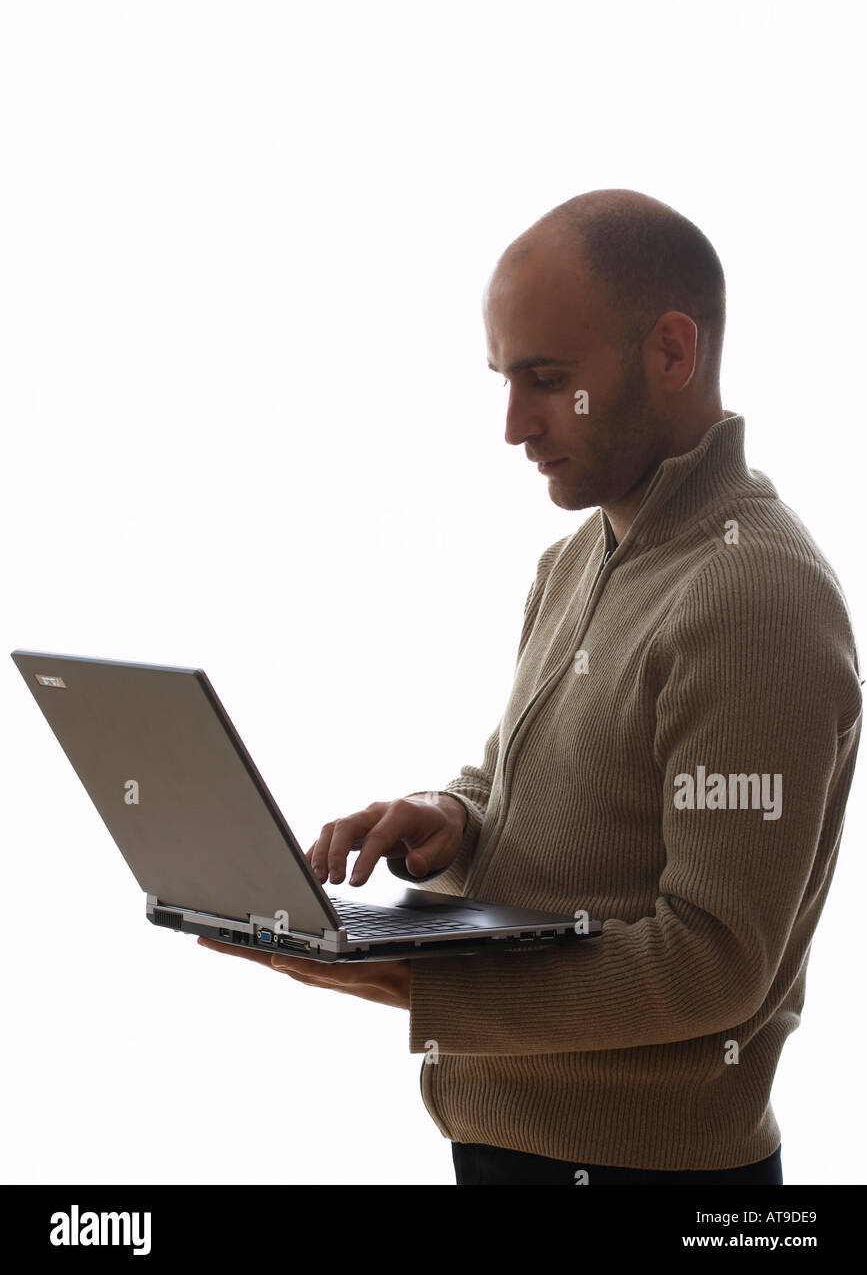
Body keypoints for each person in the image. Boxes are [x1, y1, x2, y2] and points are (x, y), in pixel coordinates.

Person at [199, 188, 863, 1186]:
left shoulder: (754, 593)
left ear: (672, 353)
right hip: (515, 1147)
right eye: (505, 379)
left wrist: (400, 975)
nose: (513, 423)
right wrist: (454, 820)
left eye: (547, 379)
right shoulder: (574, 560)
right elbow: (541, 785)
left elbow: (717, 959)